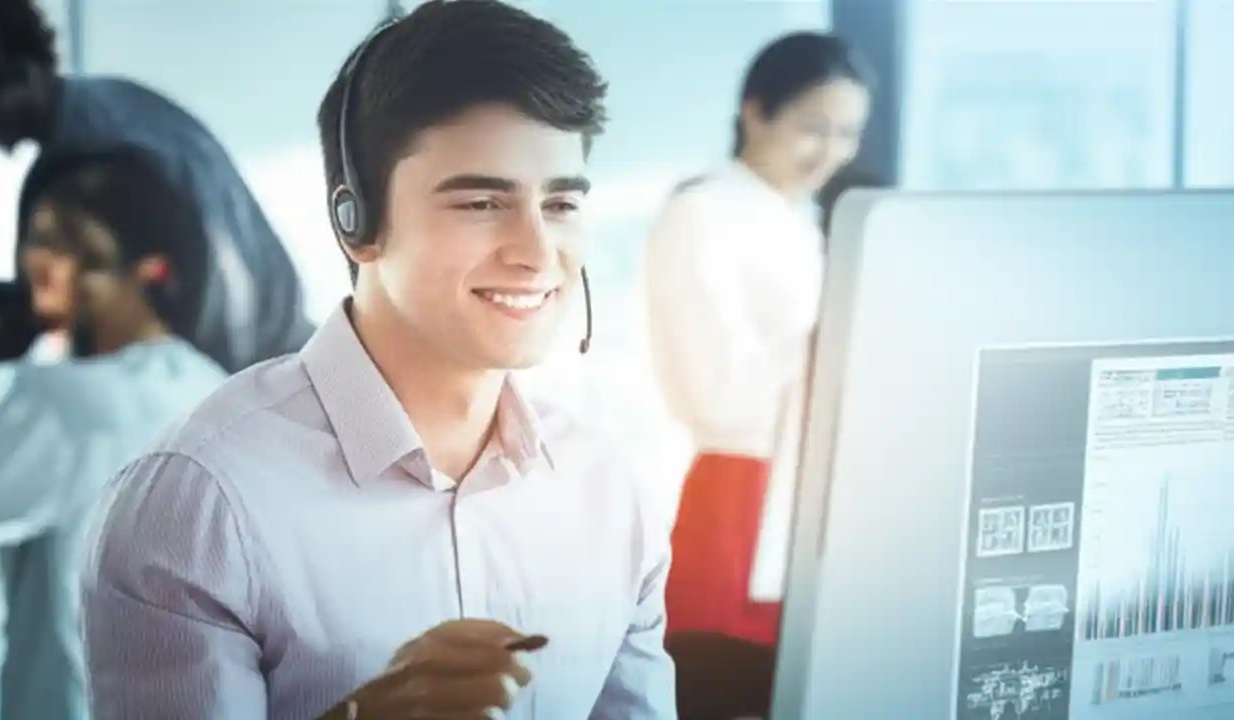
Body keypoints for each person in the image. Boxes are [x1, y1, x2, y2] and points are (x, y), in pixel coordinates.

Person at [80, 3, 675, 719]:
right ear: (355, 222)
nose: (538, 254)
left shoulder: (607, 494)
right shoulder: (200, 504)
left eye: (560, 204)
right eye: (483, 202)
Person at [644, 32, 871, 718]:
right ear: (755, 112)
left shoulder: (797, 219)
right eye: (812, 127)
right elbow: (713, 392)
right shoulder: (702, 211)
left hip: (805, 499)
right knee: (722, 690)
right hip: (738, 497)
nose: (829, 152)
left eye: (847, 133)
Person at [0, 152, 227, 720]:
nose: (41, 264)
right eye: (40, 240)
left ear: (148, 269)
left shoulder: (71, 402)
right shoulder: (214, 388)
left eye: (73, 248)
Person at [0, 0, 313, 373]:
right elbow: (37, 306)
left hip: (245, 366)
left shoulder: (90, 165)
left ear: (19, 72)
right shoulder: (118, 110)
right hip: (273, 349)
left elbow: (28, 319)